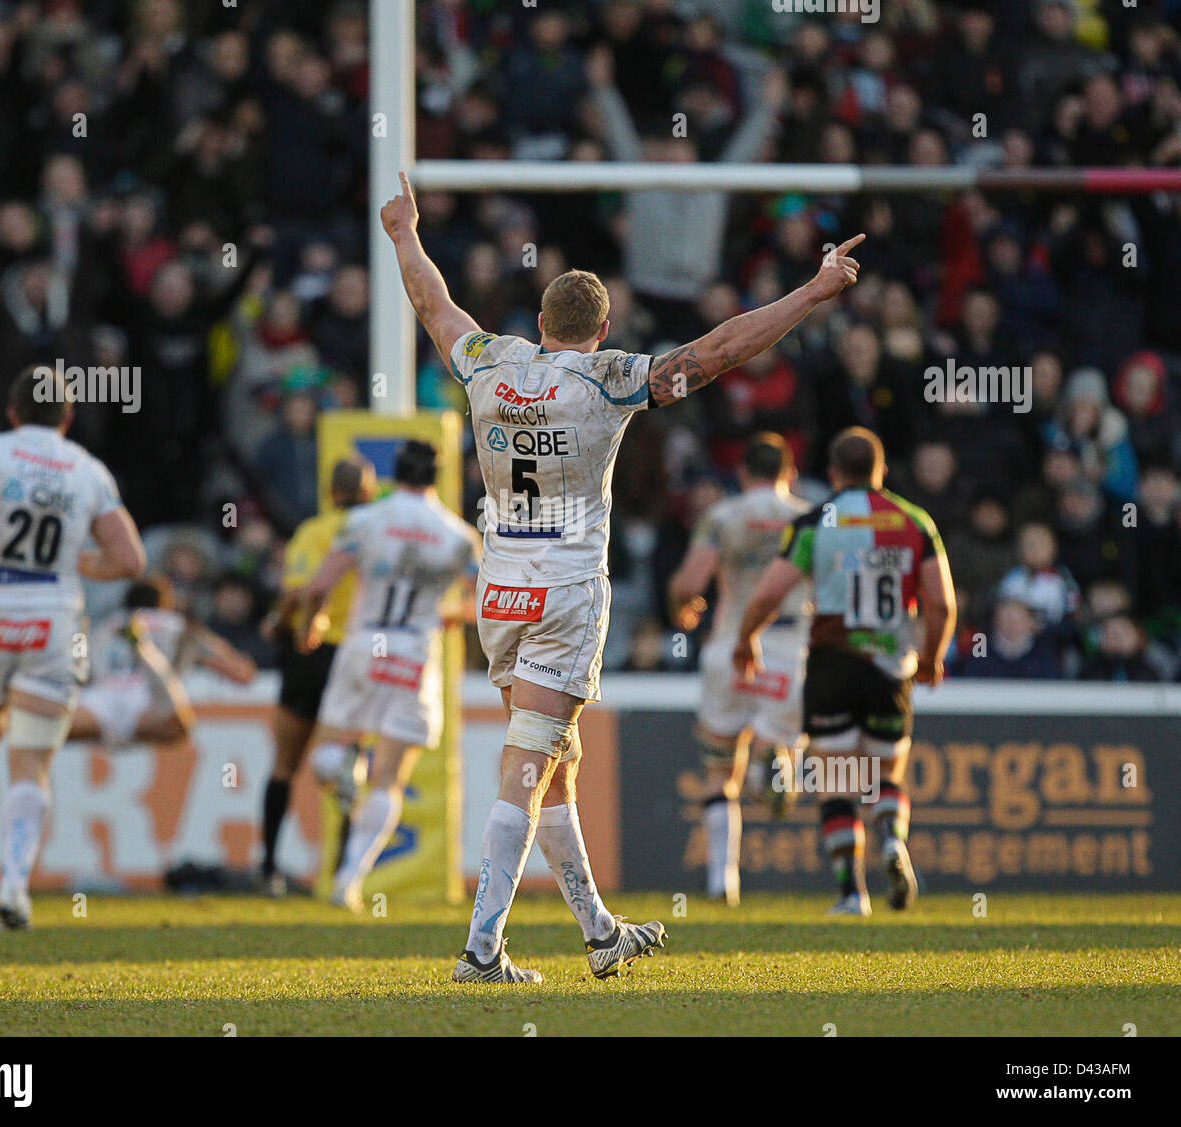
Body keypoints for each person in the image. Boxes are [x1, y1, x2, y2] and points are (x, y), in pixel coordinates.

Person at [381, 168, 864, 980]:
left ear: (541, 321)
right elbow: (716, 352)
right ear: (602, 330)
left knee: (555, 758)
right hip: (566, 591)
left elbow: (434, 305)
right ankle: (481, 947)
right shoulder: (608, 380)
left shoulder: (490, 364)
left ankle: (601, 933)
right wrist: (813, 292)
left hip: (500, 586)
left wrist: (404, 233)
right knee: (530, 762)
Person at [0, 367, 146, 930]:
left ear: (13, 413)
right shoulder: (88, 472)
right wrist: (80, 562)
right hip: (53, 622)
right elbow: (131, 561)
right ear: (68, 419)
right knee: (32, 762)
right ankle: (14, 887)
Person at [735, 428, 956, 916]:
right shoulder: (915, 522)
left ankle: (852, 893)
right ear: (882, 472)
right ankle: (893, 841)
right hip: (889, 668)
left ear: (833, 473)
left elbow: (771, 593)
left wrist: (746, 637)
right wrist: (932, 656)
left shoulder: (817, 522)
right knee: (885, 774)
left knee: (838, 781)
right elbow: (940, 602)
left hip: (832, 665)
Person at [295, 440, 479, 913]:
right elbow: (484, 602)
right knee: (391, 779)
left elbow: (318, 586)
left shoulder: (365, 521)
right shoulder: (457, 536)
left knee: (324, 757)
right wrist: (446, 615)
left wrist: (312, 622)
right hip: (416, 652)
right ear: (438, 478)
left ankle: (345, 772)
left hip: (364, 643)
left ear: (393, 474)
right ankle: (350, 880)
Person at [667, 432, 811, 905]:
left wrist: (682, 609)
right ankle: (777, 760)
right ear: (789, 473)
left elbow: (689, 581)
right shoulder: (807, 518)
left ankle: (721, 880)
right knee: (781, 736)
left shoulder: (722, 516)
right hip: (789, 646)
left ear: (743, 473)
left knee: (718, 767)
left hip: (729, 646)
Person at [257, 458, 376, 896]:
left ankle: (268, 868)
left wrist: (278, 622)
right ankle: (344, 877)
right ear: (368, 493)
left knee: (285, 763)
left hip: (311, 652)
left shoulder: (312, 531)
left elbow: (298, 590)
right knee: (349, 765)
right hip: (358, 657)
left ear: (330, 493)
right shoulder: (374, 531)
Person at [69, 576, 257, 751]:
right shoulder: (180, 626)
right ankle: (143, 649)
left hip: (102, 698)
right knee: (182, 729)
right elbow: (240, 673)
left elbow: (81, 671)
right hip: (151, 701)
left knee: (61, 731)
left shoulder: (106, 626)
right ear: (166, 604)